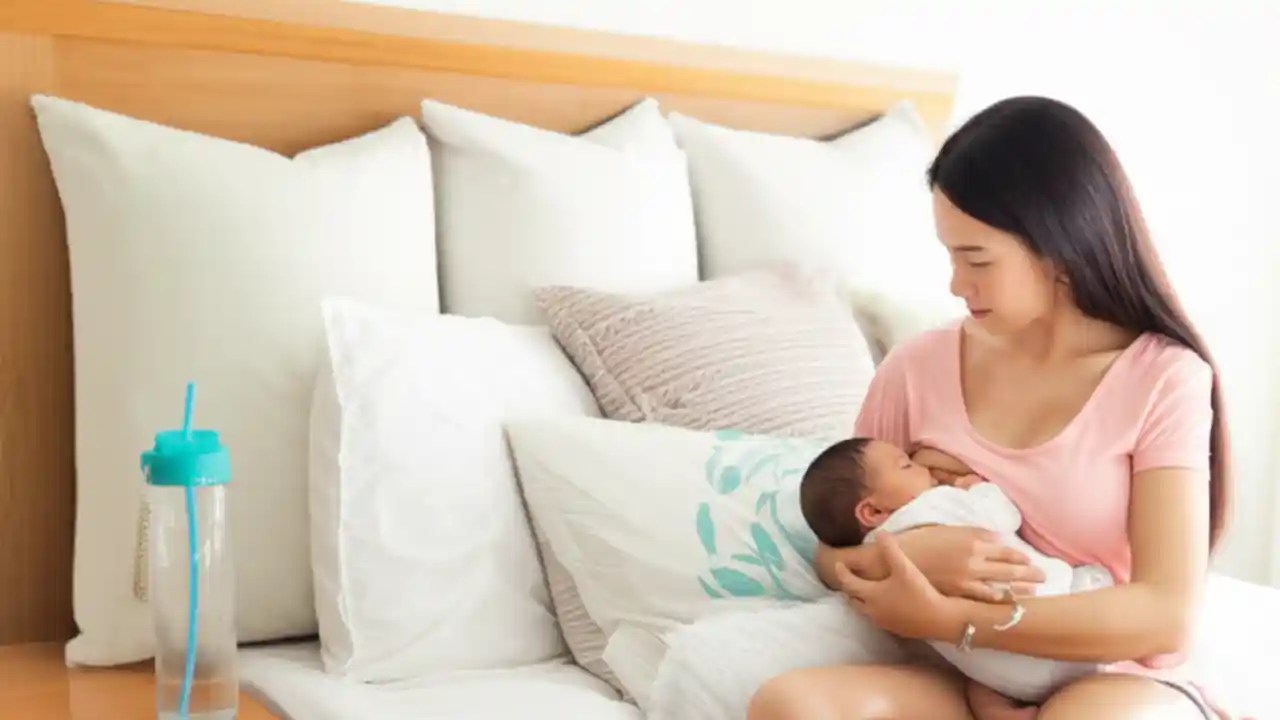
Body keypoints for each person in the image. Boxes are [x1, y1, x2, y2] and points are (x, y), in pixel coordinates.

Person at [747, 95, 1234, 719]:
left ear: (1058, 246)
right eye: (950, 255)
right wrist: (898, 559)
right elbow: (833, 548)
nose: (955, 284)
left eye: (976, 259)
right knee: (792, 705)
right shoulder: (917, 367)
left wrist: (957, 616)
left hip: (1106, 674)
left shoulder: (1163, 379)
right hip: (958, 672)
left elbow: (1165, 614)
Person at [800, 437, 1114, 714]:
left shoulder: (872, 559)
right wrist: (975, 487)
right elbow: (1003, 516)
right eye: (906, 466)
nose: (924, 469)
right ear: (873, 511)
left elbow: (831, 561)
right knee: (1096, 579)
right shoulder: (934, 505)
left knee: (976, 663)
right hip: (1066, 626)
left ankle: (993, 699)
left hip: (1012, 678)